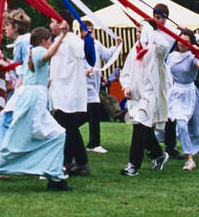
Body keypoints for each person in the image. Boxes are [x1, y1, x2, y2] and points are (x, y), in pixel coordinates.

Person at [0, 27, 70, 193]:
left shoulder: (33, 52)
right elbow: (48, 54)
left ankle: (55, 177)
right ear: (43, 40)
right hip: (33, 102)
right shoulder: (38, 50)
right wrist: (62, 36)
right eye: (50, 40)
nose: (51, 42)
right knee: (17, 142)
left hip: (35, 100)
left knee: (58, 134)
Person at [119, 11, 172, 177]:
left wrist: (151, 32)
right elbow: (126, 72)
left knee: (140, 124)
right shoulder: (135, 50)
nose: (137, 34)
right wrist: (125, 86)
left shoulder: (156, 50)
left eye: (141, 31)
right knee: (143, 126)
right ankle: (159, 155)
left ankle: (133, 165)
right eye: (137, 31)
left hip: (150, 94)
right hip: (136, 96)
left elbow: (165, 46)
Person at [47, 16, 90, 175]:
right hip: (59, 90)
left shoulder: (73, 40)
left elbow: (82, 52)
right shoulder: (58, 40)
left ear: (62, 23)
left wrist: (70, 34)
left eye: (53, 21)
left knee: (66, 127)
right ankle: (79, 161)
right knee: (69, 127)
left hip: (69, 90)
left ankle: (69, 161)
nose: (51, 25)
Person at [167, 29, 199, 171]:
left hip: (190, 93)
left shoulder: (192, 57)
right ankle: (189, 159)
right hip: (176, 94)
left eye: (186, 42)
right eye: (180, 40)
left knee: (195, 128)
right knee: (182, 125)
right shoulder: (172, 56)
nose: (182, 44)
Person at [82, 17, 119, 153]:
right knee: (91, 113)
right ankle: (94, 143)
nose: (91, 34)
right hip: (84, 84)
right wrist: (84, 72)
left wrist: (117, 46)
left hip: (95, 85)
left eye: (92, 31)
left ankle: (92, 142)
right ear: (82, 32)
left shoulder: (96, 44)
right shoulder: (79, 45)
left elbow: (107, 55)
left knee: (88, 114)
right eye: (88, 31)